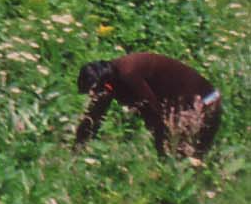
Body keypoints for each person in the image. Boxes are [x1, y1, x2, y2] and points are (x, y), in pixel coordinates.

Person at [75, 53, 222, 160]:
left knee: (183, 161)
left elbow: (155, 114)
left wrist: (163, 151)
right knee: (178, 159)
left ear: (105, 85)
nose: (95, 97)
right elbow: (93, 117)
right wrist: (77, 150)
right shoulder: (110, 77)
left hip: (204, 103)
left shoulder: (128, 75)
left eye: (96, 92)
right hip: (190, 105)